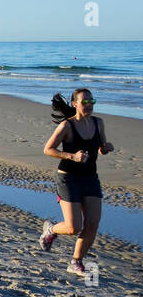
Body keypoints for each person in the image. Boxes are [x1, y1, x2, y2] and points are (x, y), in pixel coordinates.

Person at [41, 90, 114, 275]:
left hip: (90, 178)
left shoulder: (99, 123)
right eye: (85, 101)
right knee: (74, 227)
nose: (89, 104)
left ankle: (76, 262)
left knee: (93, 223)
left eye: (91, 100)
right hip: (68, 178)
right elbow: (48, 149)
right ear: (75, 104)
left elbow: (101, 149)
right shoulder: (67, 126)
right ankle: (50, 229)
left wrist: (106, 148)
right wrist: (72, 156)